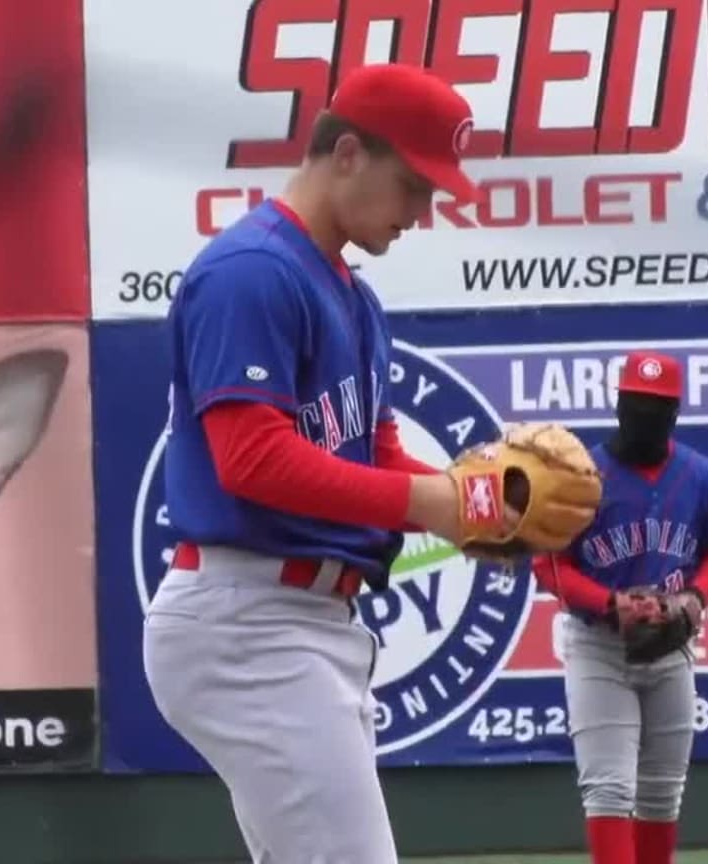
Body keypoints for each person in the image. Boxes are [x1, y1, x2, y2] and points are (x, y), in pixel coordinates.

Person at [141, 63, 510, 863]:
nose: (423, 210)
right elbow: (254, 462)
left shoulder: (352, 295)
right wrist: (432, 503)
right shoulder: (252, 272)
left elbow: (374, 452)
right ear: (347, 154)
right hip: (248, 618)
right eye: (413, 185)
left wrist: (467, 505)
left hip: (303, 620)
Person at [532, 351, 708, 864]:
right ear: (619, 404)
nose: (645, 415)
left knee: (662, 794)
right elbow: (547, 563)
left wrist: (694, 599)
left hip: (672, 645)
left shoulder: (701, 476)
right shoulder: (582, 478)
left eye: (658, 406)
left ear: (675, 412)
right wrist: (608, 603)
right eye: (636, 403)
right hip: (598, 646)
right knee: (607, 790)